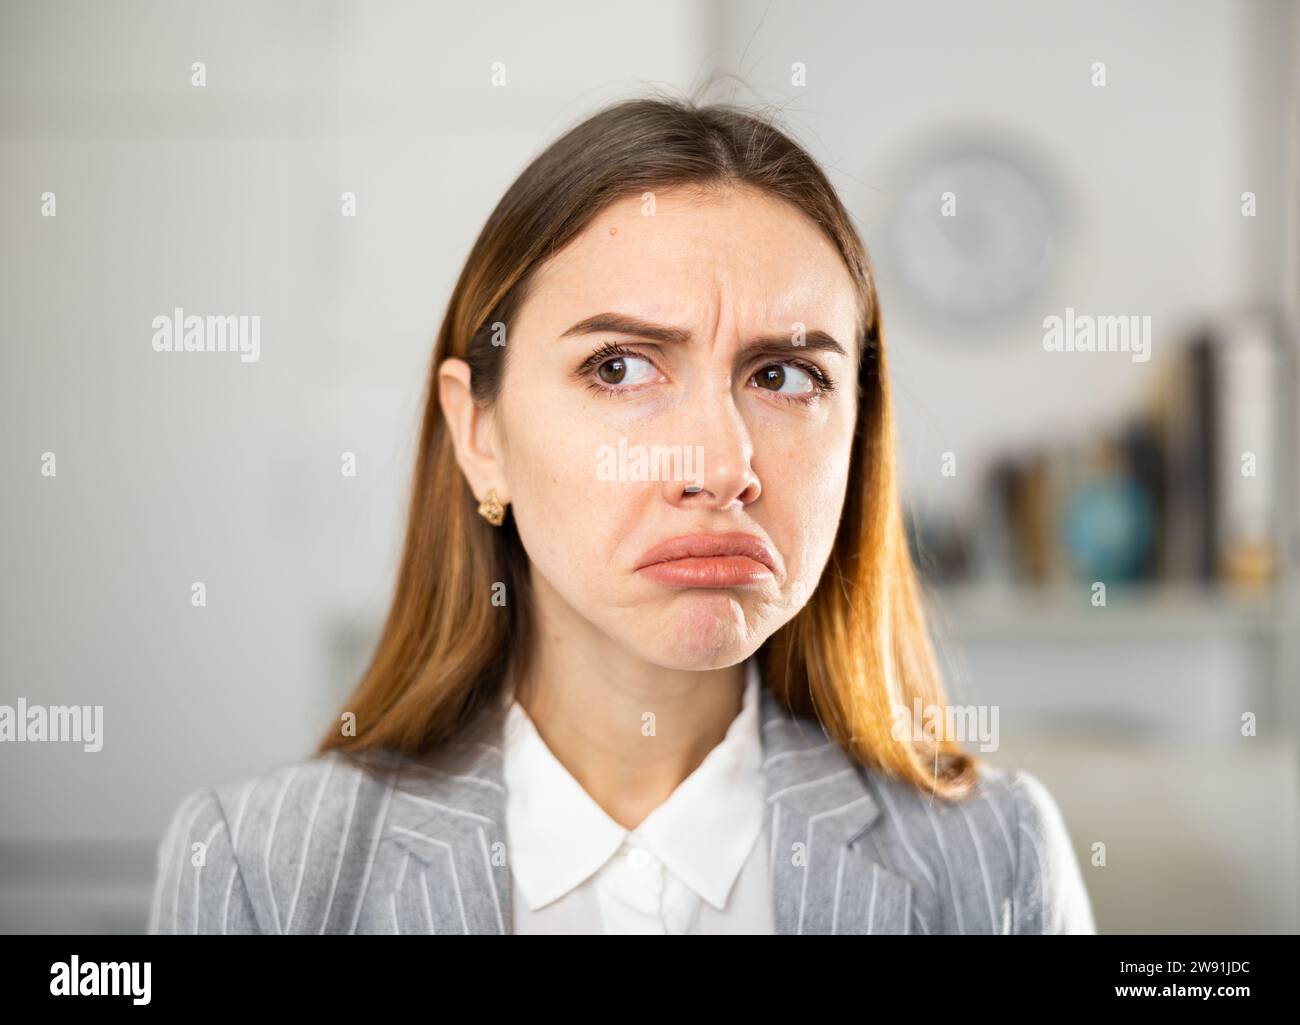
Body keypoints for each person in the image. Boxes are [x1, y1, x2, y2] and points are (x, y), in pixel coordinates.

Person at [149, 94, 1096, 935]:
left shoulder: (996, 858)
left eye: (785, 375)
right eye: (620, 367)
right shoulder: (259, 872)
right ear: (480, 431)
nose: (722, 467)